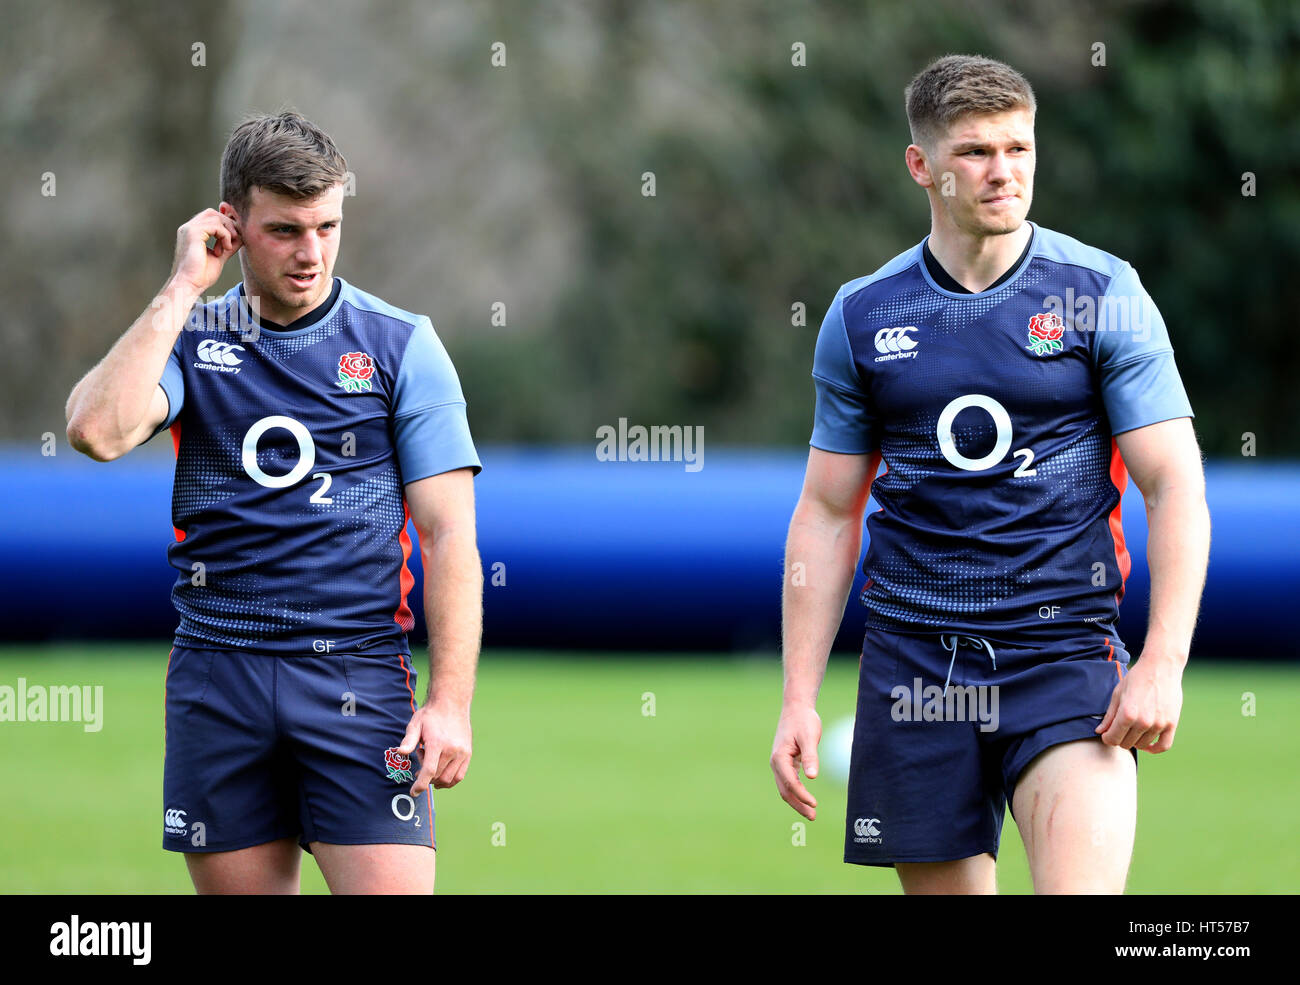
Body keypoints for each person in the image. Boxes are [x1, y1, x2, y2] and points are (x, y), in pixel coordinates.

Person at [770, 55, 1210, 894]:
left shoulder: (1102, 293)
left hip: (1063, 653)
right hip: (913, 667)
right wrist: (799, 695)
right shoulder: (863, 314)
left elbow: (1174, 486)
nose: (1003, 172)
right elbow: (827, 511)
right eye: (975, 152)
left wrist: (1162, 661)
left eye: (1019, 147)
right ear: (921, 166)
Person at [65, 111, 482, 894]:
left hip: (357, 680)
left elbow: (450, 534)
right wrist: (185, 284)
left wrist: (450, 701)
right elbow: (96, 430)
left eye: (328, 226)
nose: (312, 253)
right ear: (232, 226)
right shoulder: (190, 337)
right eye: (286, 230)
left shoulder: (401, 345)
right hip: (218, 677)